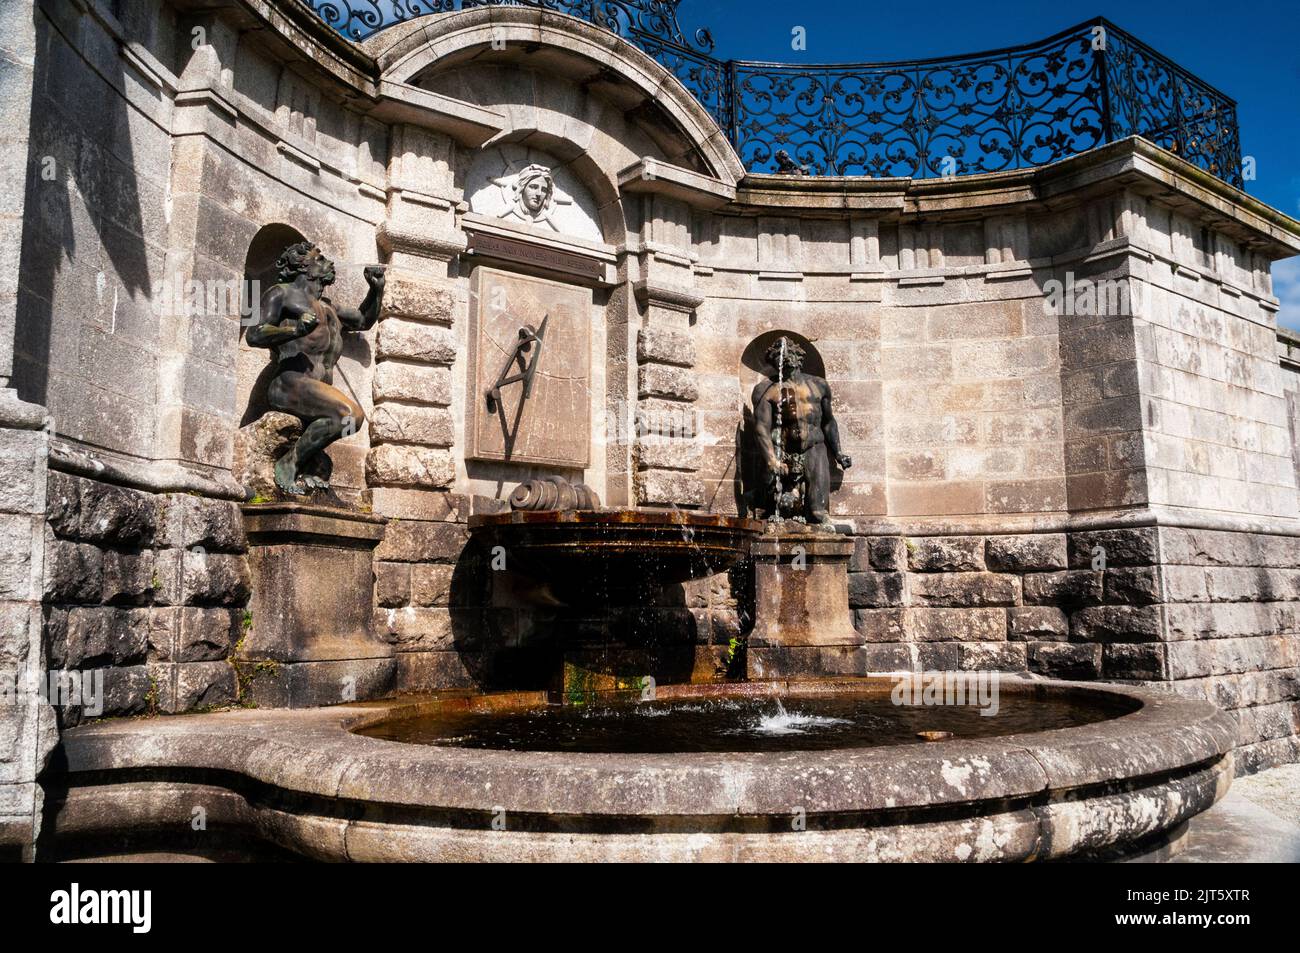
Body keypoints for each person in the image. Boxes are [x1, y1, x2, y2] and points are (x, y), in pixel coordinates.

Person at [245, 242, 384, 494]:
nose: (328, 263)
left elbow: (364, 320)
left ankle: (304, 461)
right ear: (302, 267)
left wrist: (376, 290)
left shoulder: (331, 308)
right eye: (319, 259)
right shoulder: (281, 293)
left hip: (316, 392)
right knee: (351, 416)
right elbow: (254, 334)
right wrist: (295, 329)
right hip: (288, 384)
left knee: (347, 420)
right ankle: (289, 463)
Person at [752, 337, 852, 524]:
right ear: (774, 362)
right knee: (779, 506)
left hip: (814, 447)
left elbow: (829, 422)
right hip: (783, 449)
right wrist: (771, 460)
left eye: (790, 354)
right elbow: (761, 428)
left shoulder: (819, 385)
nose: (786, 358)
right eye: (781, 357)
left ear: (799, 357)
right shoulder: (765, 389)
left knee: (817, 512)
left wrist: (838, 453)